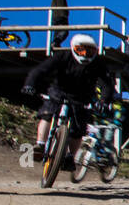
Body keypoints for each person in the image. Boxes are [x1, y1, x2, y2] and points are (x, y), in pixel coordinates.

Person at [22, 33, 114, 163]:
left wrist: (104, 100)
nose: (85, 54)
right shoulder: (63, 57)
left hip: (82, 97)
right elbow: (40, 70)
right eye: (80, 50)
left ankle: (70, 157)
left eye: (90, 51)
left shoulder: (98, 64)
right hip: (59, 92)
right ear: (73, 48)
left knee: (78, 129)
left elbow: (107, 85)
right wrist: (29, 84)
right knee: (47, 114)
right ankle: (40, 145)